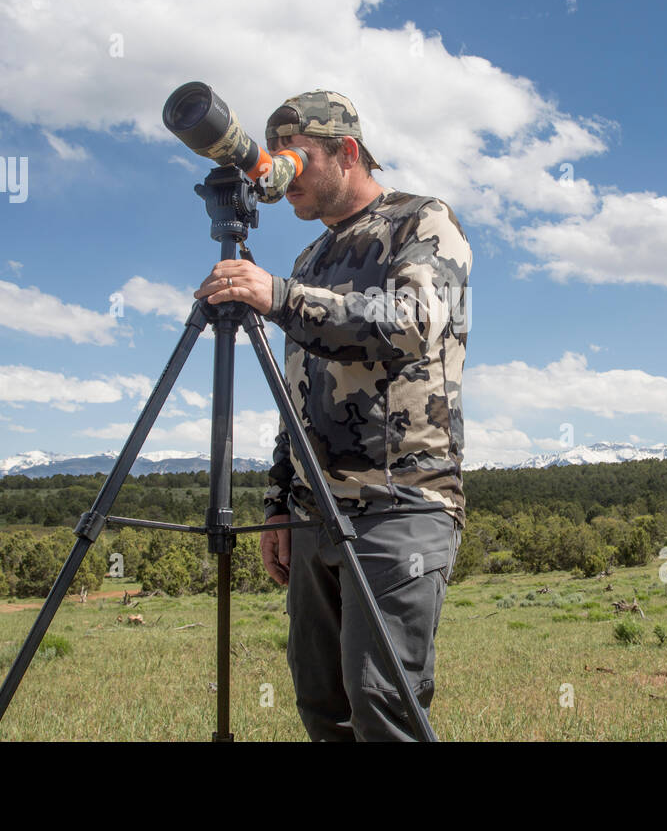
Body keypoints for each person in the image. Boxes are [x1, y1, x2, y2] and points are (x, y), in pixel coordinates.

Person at [193, 89, 472, 741]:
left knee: (383, 707)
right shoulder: (309, 259)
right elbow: (296, 392)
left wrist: (280, 298)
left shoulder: (421, 222)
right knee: (325, 709)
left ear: (347, 152)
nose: (280, 179)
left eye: (298, 160)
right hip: (316, 512)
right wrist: (278, 503)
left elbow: (410, 326)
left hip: (400, 504)